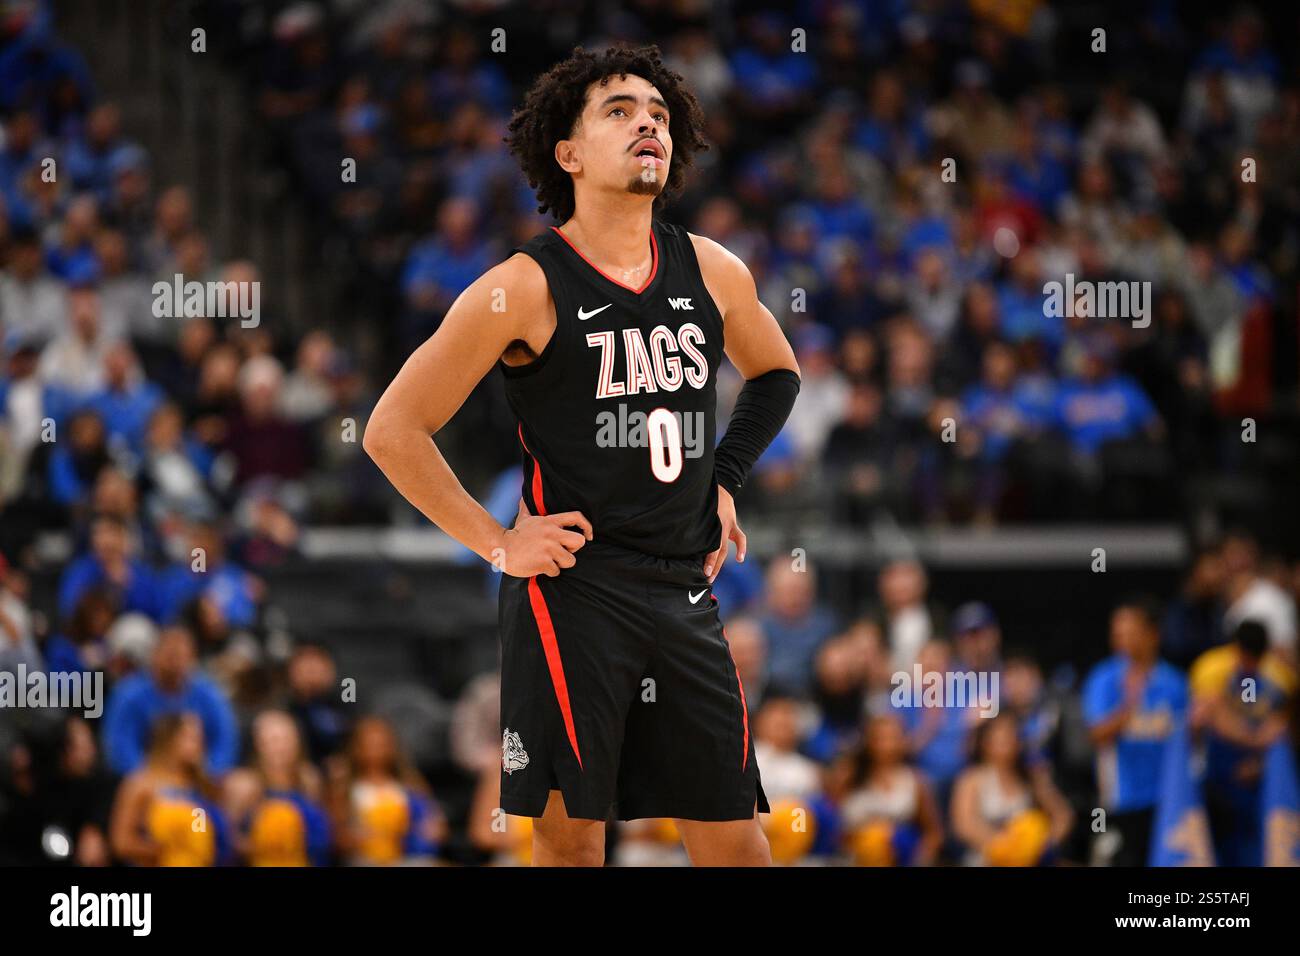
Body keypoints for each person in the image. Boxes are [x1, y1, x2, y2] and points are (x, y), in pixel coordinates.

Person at [364, 46, 800, 867]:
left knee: (739, 846)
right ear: (567, 153)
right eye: (620, 110)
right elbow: (392, 429)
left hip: (683, 589)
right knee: (570, 850)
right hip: (573, 592)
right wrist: (498, 543)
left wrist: (725, 477)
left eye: (660, 114)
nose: (648, 123)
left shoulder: (712, 268)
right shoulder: (522, 286)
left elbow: (777, 374)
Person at [1082, 599, 1188, 866]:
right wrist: (1128, 706)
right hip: (1122, 799)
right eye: (1117, 634)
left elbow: (1186, 742)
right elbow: (1095, 735)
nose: (1122, 641)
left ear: (1153, 634)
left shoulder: (1174, 682)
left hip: (1168, 798)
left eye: (1131, 633)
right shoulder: (1104, 678)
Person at [108, 712, 231, 866]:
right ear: (169, 739)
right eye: (191, 737)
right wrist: (167, 852)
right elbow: (121, 842)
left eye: (200, 738)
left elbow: (213, 830)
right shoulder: (141, 783)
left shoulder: (204, 784)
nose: (199, 744)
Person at [950, 716, 1073, 865]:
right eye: (1001, 738)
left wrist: (1044, 844)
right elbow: (964, 825)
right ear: (985, 744)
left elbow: (1063, 815)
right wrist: (1004, 846)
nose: (1008, 741)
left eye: (1012, 735)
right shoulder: (971, 780)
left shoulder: (1031, 777)